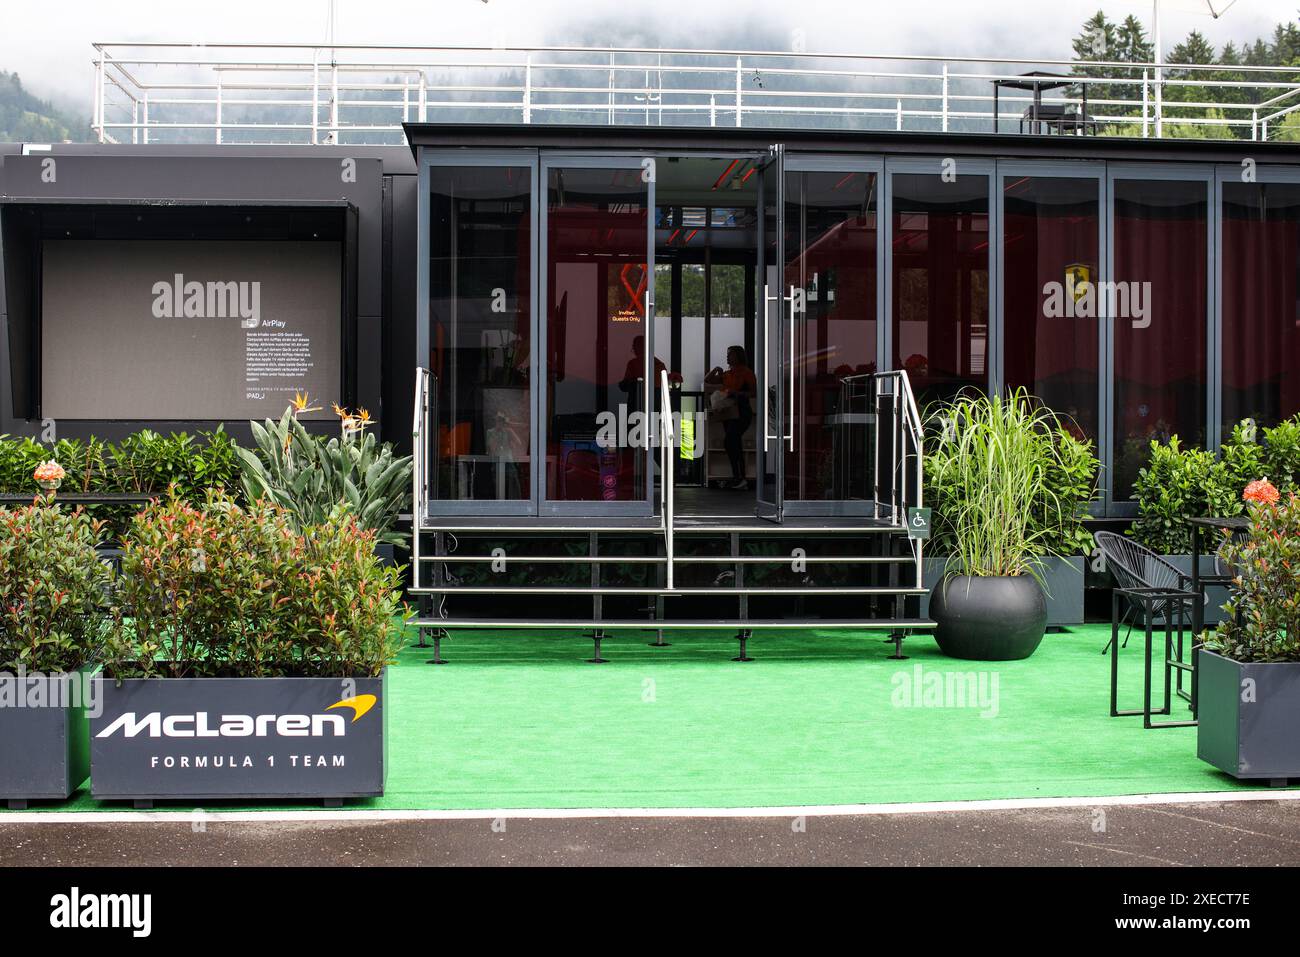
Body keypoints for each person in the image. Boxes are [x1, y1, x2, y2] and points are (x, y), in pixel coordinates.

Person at [705, 345, 756, 490]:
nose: (728, 357)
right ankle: (739, 477)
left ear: (738, 356)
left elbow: (754, 392)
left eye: (730, 354)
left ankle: (739, 477)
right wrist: (715, 369)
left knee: (730, 441)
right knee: (734, 443)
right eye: (727, 354)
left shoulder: (747, 373)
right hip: (729, 411)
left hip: (742, 411)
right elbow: (708, 380)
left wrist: (737, 393)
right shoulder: (727, 374)